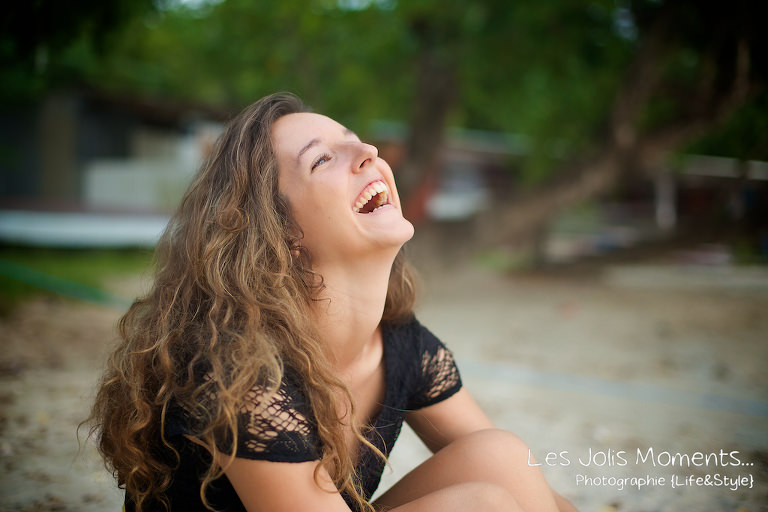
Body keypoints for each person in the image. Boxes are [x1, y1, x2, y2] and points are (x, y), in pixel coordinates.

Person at [87, 92, 577, 512]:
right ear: (280, 233)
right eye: (322, 159)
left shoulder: (401, 345)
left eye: (354, 140)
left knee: (502, 457)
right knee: (481, 507)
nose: (368, 151)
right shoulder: (239, 371)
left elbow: (539, 494)